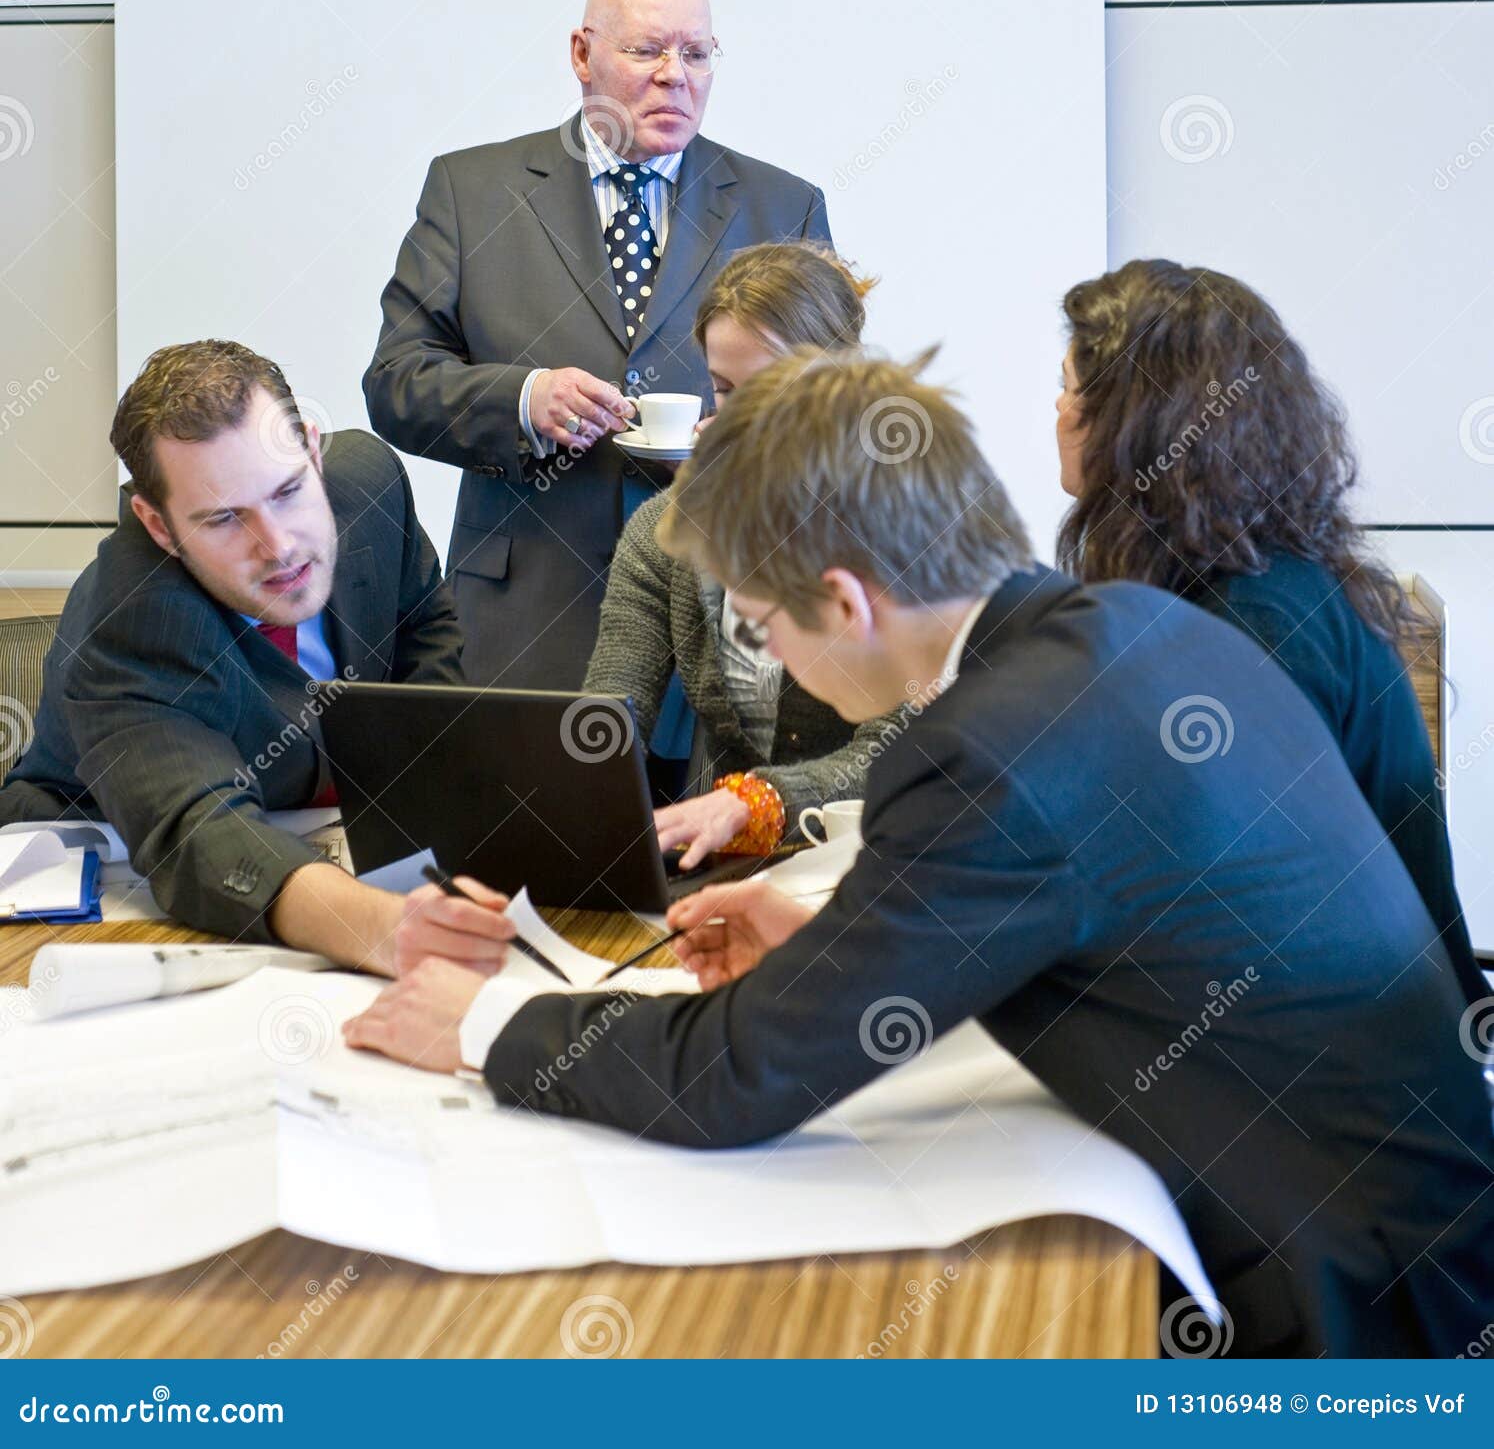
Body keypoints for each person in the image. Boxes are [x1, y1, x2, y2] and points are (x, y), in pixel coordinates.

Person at [347, 350, 1494, 1359]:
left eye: (760, 622)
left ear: (843, 601)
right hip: (1419, 1222)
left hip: (1355, 1328)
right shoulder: (1135, 625)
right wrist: (851, 944)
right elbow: (1101, 925)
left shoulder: (991, 747)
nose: (775, 656)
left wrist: (482, 1021)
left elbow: (737, 1078)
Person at [364, 0, 832, 690]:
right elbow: (395, 383)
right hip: (525, 628)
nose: (675, 74)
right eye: (647, 50)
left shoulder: (783, 207)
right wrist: (523, 400)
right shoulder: (472, 191)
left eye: (698, 53)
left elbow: (833, 413)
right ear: (582, 54)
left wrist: (750, 444)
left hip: (724, 628)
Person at [0, 341, 516, 977]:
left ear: (313, 451)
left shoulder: (371, 484)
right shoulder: (127, 615)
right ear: (158, 525)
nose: (277, 546)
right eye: (223, 519)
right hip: (114, 885)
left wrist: (419, 789)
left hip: (331, 839)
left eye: (289, 490)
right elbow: (197, 831)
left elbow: (422, 627)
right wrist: (385, 930)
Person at [1052, 257, 1487, 1006]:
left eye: (1068, 388)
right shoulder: (1233, 588)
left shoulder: (1262, 622)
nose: (1056, 413)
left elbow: (1218, 905)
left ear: (1137, 422)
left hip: (1359, 1060)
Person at [584, 241, 902, 869]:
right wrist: (570, 785)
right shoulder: (665, 532)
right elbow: (611, 713)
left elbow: (910, 745)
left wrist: (756, 802)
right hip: (734, 870)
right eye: (728, 390)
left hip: (891, 869)